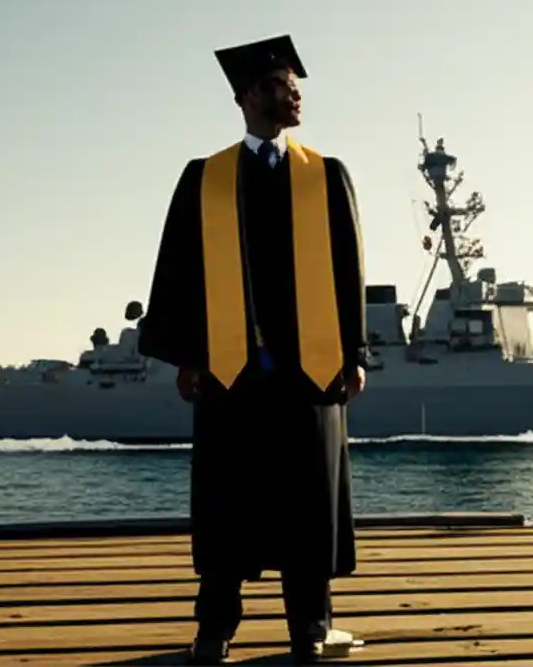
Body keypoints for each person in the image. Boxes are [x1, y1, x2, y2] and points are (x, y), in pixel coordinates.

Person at [137, 34, 368, 664]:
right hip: (230, 371)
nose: (290, 91)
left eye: (293, 82)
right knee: (225, 506)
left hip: (309, 372)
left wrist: (355, 353)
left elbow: (348, 268)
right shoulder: (204, 178)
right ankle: (213, 631)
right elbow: (178, 271)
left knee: (308, 505)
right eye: (273, 83)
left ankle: (311, 630)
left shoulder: (325, 174)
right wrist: (186, 355)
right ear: (244, 98)